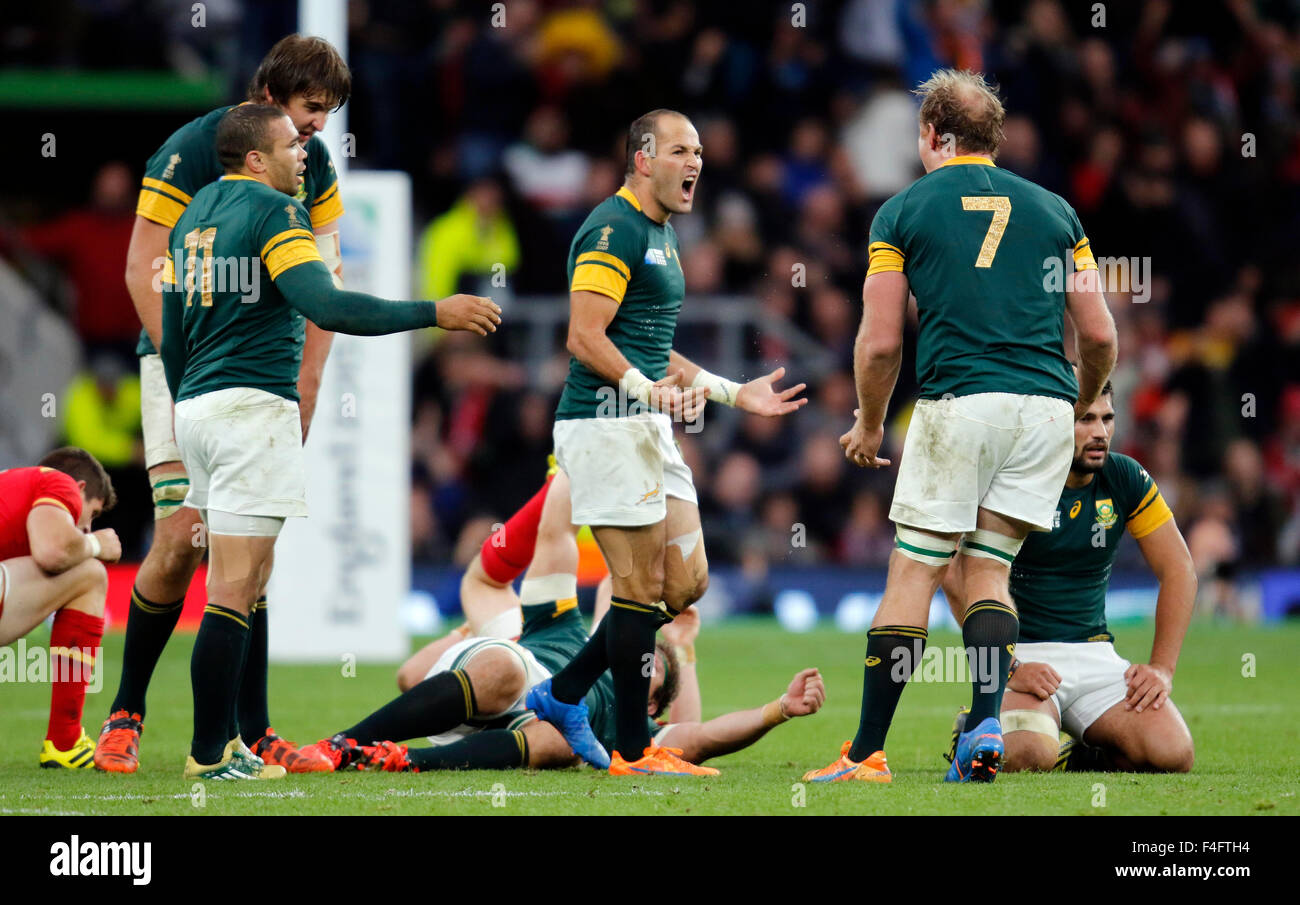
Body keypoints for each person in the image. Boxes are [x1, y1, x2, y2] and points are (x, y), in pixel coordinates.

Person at [158, 103, 499, 781]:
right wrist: (437, 311)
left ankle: (229, 745)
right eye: (291, 144)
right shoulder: (275, 214)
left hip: (197, 405)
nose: (305, 155)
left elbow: (171, 334)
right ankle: (209, 754)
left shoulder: (193, 215)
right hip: (249, 408)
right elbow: (328, 305)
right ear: (255, 159)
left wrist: (191, 395)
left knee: (244, 581)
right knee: (233, 587)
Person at [804, 69, 1117, 784]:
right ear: (995, 139)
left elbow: (881, 343)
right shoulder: (1057, 212)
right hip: (1042, 406)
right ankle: (983, 723)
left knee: (914, 565)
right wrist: (1081, 400)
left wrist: (868, 425)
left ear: (932, 136)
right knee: (987, 567)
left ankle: (865, 753)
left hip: (960, 403)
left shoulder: (902, 211)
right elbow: (1099, 334)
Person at [522, 108, 807, 776]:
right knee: (637, 583)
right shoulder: (613, 225)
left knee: (686, 582)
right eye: (682, 150)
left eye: (701, 151)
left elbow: (648, 346)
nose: (698, 163)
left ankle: (563, 693)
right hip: (602, 422)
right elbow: (583, 336)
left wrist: (734, 392)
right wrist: (648, 393)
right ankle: (633, 750)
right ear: (644, 158)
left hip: (644, 424)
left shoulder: (661, 233)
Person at [98, 34, 354, 774]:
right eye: (311, 111)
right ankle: (126, 712)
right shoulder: (191, 148)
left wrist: (307, 386)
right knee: (183, 537)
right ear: (270, 95)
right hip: (183, 363)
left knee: (249, 547)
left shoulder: (314, 167)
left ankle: (253, 729)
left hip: (262, 376)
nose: (317, 131)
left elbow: (326, 277)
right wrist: (187, 368)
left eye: (329, 115)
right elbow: (144, 267)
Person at [299, 468, 825, 772]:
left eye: (648, 668)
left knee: (557, 745)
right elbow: (555, 538)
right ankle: (346, 742)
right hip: (501, 671)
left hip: (503, 725)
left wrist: (778, 709)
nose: (634, 656)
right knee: (496, 658)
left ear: (650, 700)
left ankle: (401, 762)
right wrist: (585, 460)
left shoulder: (632, 730)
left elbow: (706, 735)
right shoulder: (567, 629)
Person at [944, 381, 1196, 774]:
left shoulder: (1125, 477)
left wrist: (1162, 668)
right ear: (1051, 423)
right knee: (1029, 755)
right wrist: (1006, 666)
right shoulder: (1013, 477)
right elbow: (956, 573)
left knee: (1172, 754)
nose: (1100, 432)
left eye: (1107, 418)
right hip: (1021, 653)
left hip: (1096, 656)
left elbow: (1179, 570)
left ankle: (1082, 753)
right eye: (1085, 420)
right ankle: (976, 725)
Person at [0, 448, 120, 768]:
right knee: (91, 574)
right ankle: (65, 742)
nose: (87, 529)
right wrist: (98, 545)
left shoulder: (14, 493)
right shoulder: (60, 483)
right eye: (91, 515)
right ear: (79, 488)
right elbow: (52, 552)